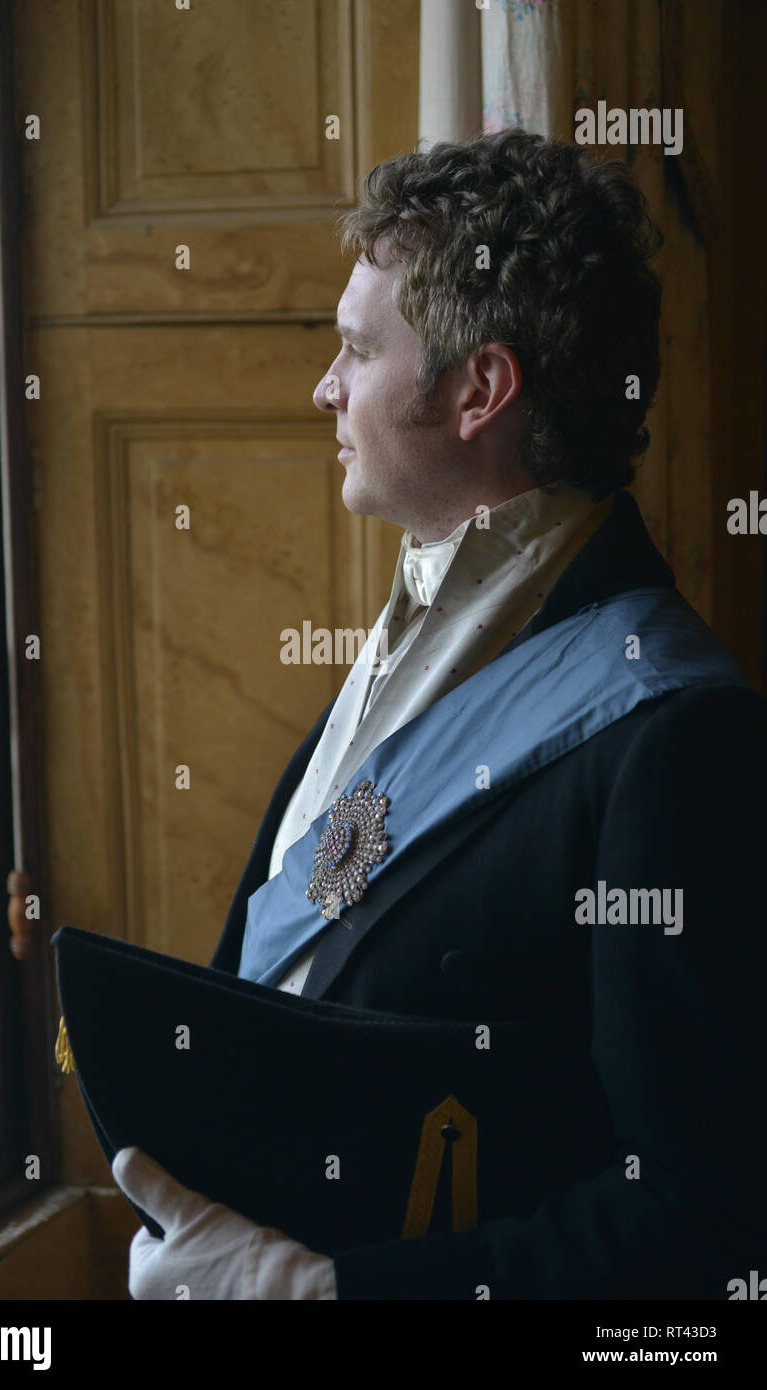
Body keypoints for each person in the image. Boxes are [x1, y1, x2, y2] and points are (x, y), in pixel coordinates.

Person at [112, 129, 767, 1300]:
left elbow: (697, 1226)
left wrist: (307, 1295)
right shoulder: (431, 604)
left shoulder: (675, 732)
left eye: (356, 350)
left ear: (480, 390)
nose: (324, 387)